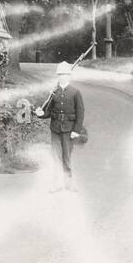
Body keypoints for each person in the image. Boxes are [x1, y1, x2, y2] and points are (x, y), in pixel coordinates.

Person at [35, 61, 86, 192]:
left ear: (69, 75)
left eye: (64, 74)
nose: (62, 76)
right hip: (55, 129)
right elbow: (49, 112)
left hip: (69, 131)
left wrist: (76, 130)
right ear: (57, 76)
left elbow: (80, 113)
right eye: (60, 74)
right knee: (56, 158)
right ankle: (57, 184)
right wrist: (41, 114)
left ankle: (69, 184)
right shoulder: (54, 93)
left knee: (67, 158)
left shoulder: (75, 92)